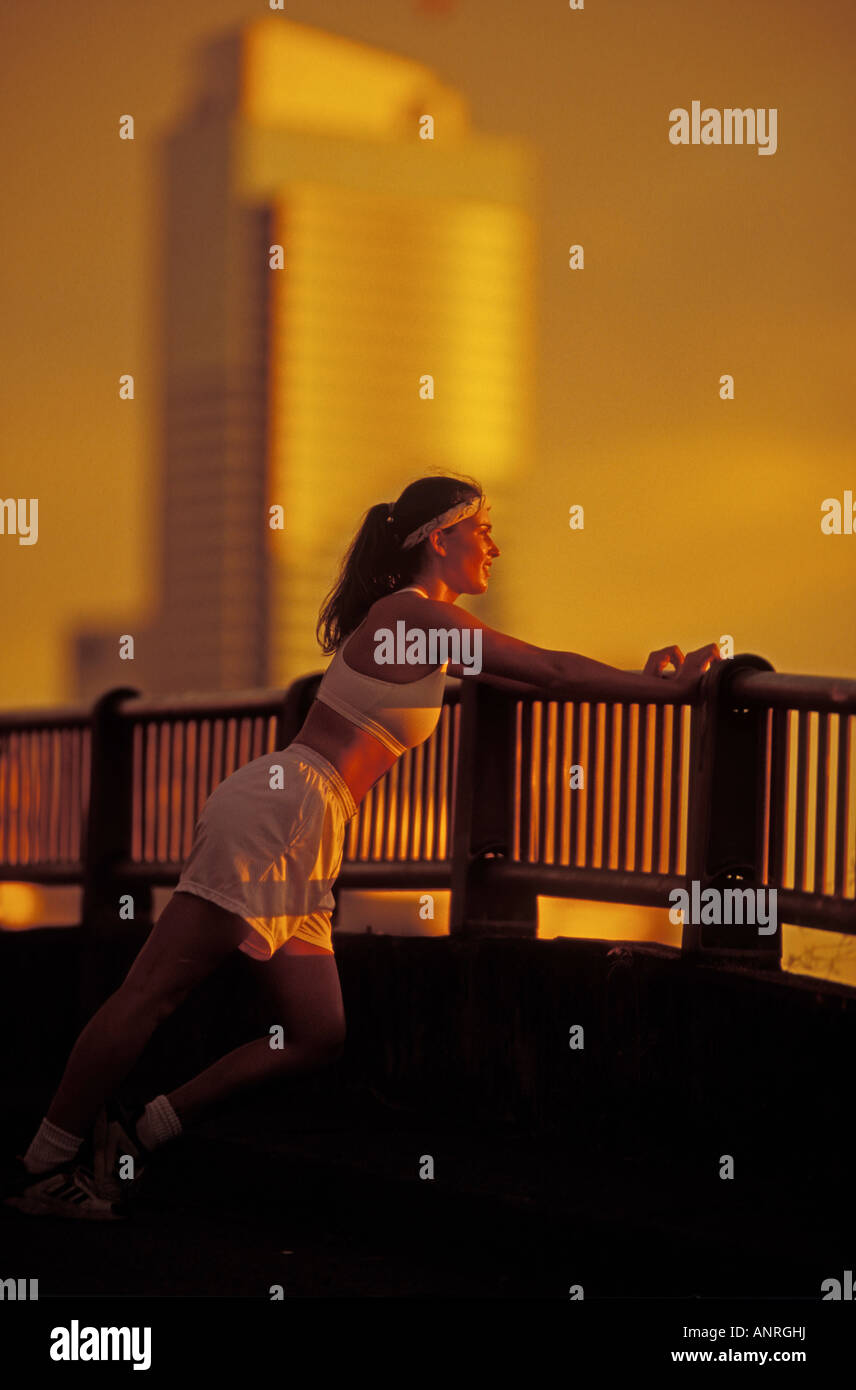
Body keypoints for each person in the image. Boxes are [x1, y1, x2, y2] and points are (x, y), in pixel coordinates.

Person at [2, 472, 720, 1219]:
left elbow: (531, 674)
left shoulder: (421, 627)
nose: (494, 548)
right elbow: (552, 668)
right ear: (438, 540)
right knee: (150, 994)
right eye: (483, 532)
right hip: (281, 813)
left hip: (309, 830)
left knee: (317, 1034)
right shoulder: (412, 616)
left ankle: (139, 1135)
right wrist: (657, 688)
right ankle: (40, 1168)